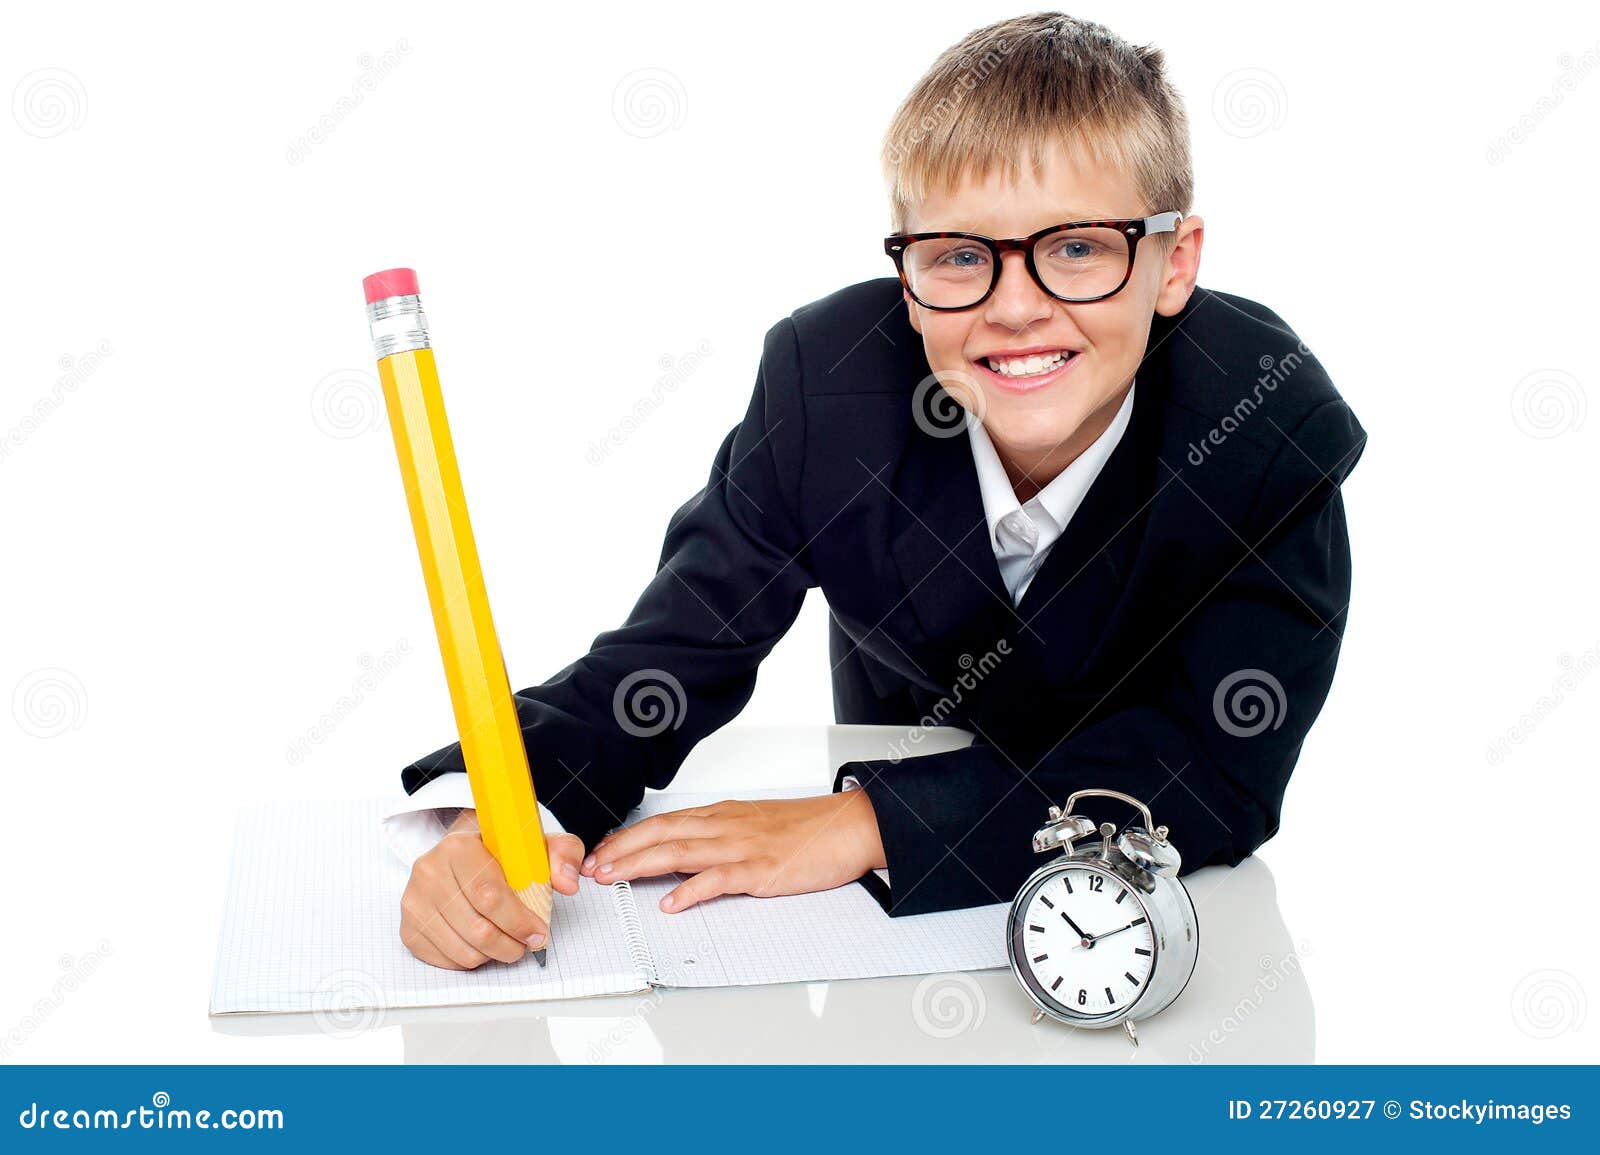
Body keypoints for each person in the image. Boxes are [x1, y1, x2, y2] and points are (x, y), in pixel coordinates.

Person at [389, 11, 1365, 971]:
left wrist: (868, 823)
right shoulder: (826, 387)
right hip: (879, 928)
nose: (1016, 307)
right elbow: (665, 665)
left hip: (1126, 920)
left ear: (1173, 263)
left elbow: (1220, 768)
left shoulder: (1266, 426)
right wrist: (510, 810)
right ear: (905, 277)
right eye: (958, 256)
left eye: (1077, 248)